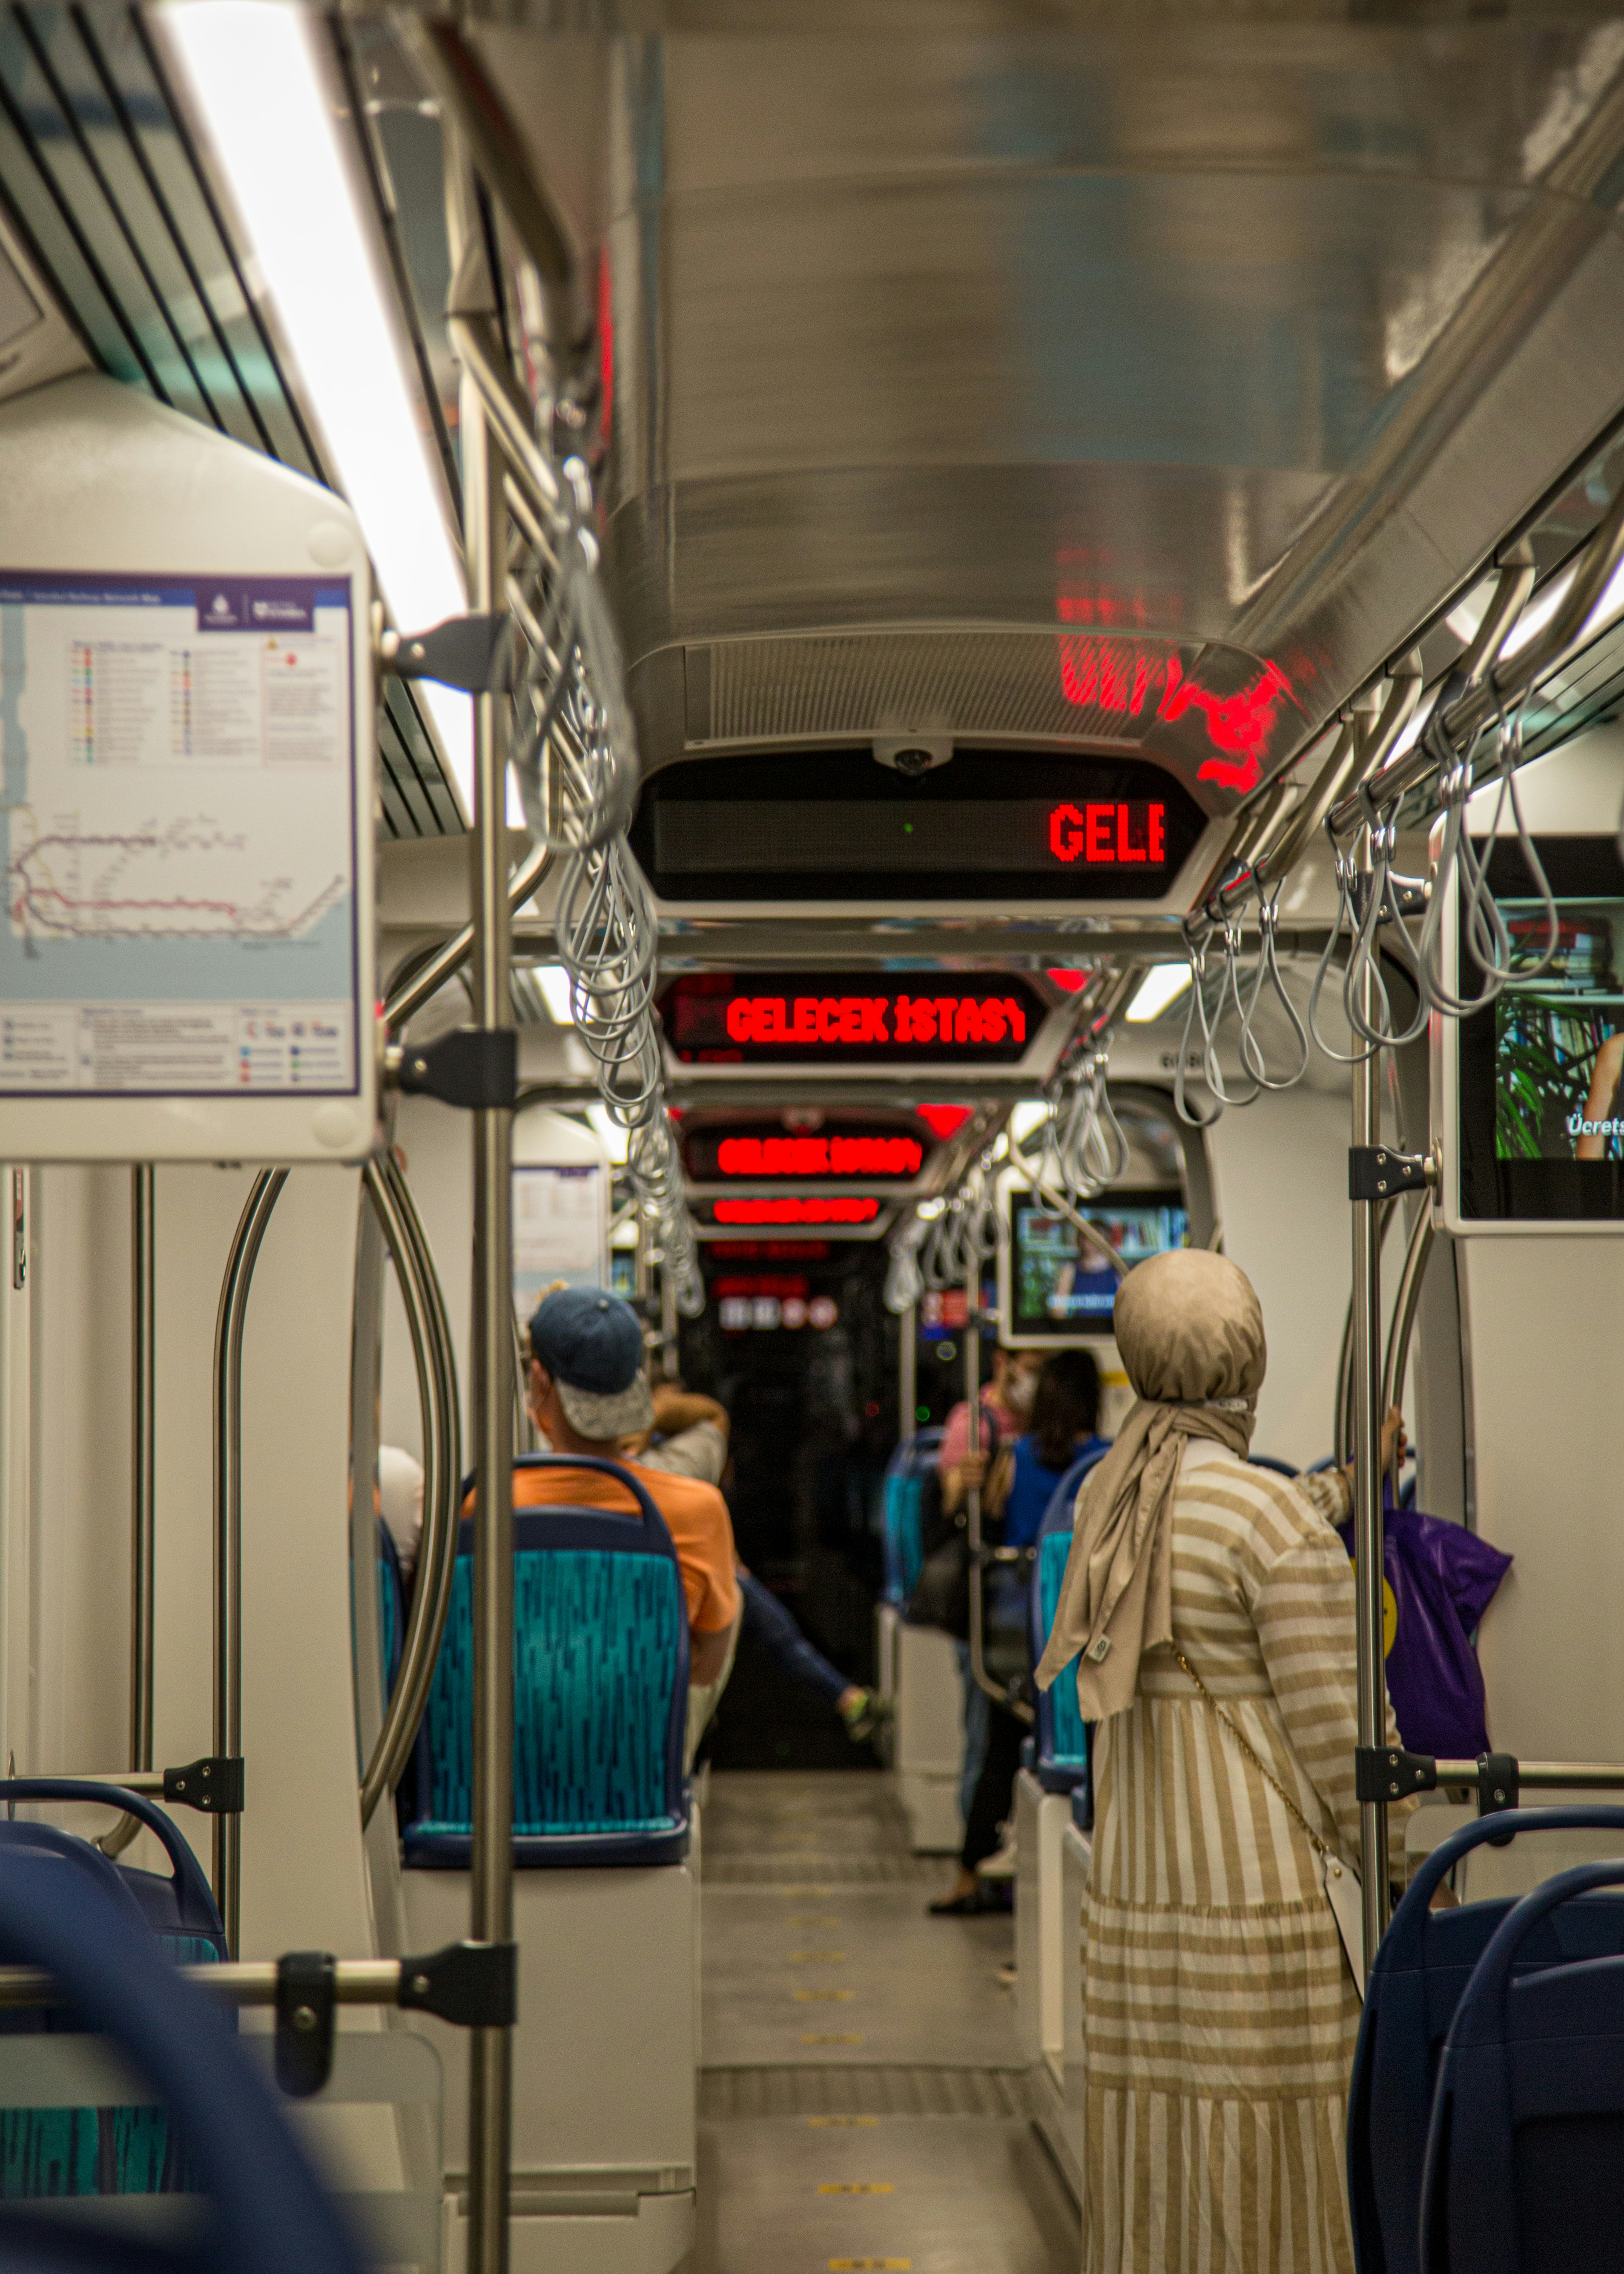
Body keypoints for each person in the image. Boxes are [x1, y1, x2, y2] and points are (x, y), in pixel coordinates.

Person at [1034, 1248, 1409, 2274]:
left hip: (1138, 1896)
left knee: (1160, 2162)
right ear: (1245, 1354)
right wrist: (1408, 1860)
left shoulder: (1106, 1504)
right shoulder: (1260, 1515)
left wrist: (1343, 1482)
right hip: (1260, 1915)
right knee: (1272, 2179)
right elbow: (1345, 1738)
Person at [503, 1288, 741, 1765]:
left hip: (507, 1777)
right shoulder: (697, 1510)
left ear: (537, 1380)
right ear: (634, 1385)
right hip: (640, 1780)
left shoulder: (484, 1506)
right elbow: (705, 1667)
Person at [929, 1347, 1107, 1916]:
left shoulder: (1009, 1458)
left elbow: (986, 1526)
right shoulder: (1109, 1462)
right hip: (1085, 1634)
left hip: (1014, 1629)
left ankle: (967, 1870)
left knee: (999, 1748)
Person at [631, 1380, 890, 1745]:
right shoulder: (678, 1467)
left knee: (776, 1631)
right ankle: (848, 1699)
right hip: (690, 1589)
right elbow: (711, 1415)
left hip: (656, 1613)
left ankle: (848, 1698)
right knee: (770, 1636)